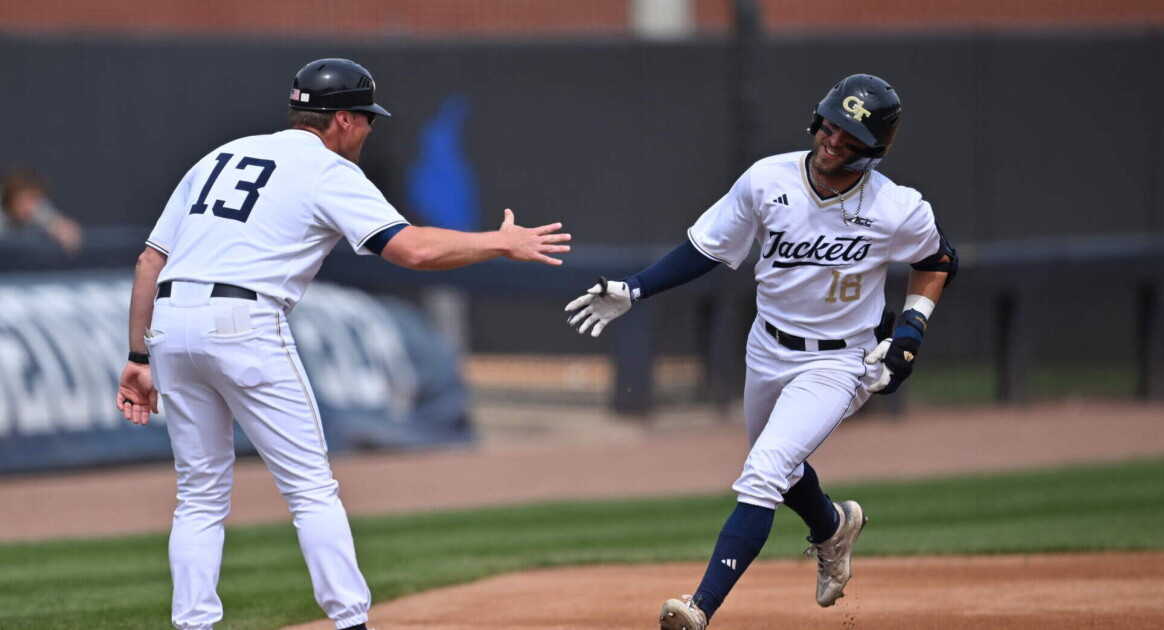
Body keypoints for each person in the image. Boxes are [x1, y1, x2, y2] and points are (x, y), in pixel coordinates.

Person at [115, 58, 570, 630]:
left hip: (170, 321)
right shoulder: (328, 171)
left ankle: (193, 624)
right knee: (310, 488)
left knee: (200, 497)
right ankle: (351, 621)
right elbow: (415, 251)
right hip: (244, 320)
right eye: (368, 119)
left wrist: (137, 357)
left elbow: (149, 260)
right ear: (344, 120)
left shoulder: (220, 156)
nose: (370, 130)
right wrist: (498, 243)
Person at [564, 74, 957, 629]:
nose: (833, 142)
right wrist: (634, 289)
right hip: (767, 348)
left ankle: (700, 608)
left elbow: (938, 259)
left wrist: (912, 330)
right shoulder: (767, 179)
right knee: (783, 466)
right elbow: (707, 248)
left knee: (766, 469)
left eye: (850, 138)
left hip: (839, 360)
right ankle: (833, 528)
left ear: (876, 150)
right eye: (829, 126)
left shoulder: (895, 208)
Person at [0, 167, 84, 255]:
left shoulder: (35, 208)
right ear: (12, 197)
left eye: (33, 199)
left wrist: (64, 230)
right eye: (23, 200)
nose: (29, 207)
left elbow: (63, 227)